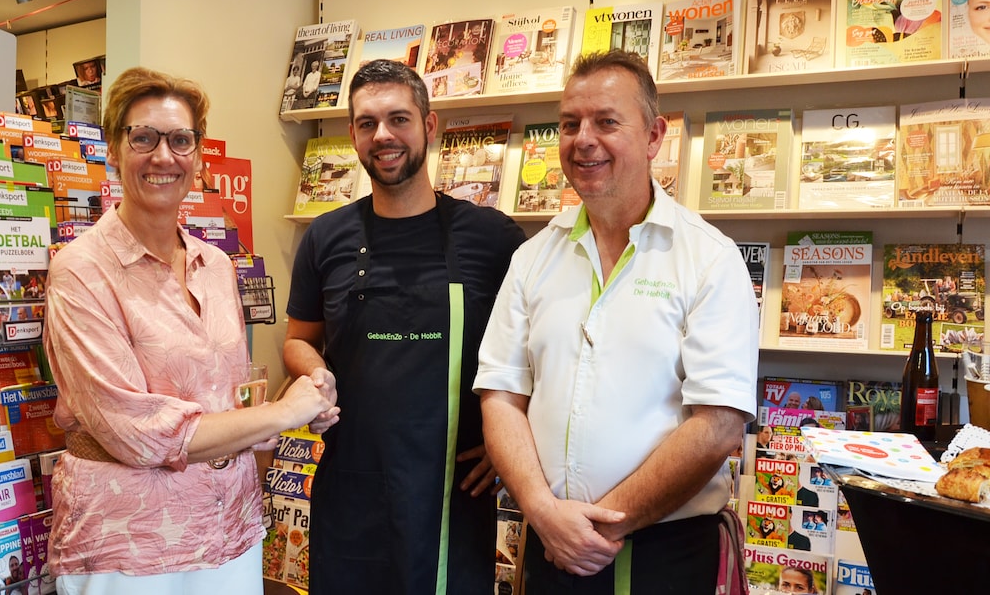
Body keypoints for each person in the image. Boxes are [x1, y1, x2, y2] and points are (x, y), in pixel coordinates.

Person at [42, 66, 338, 594]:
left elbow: (230, 400)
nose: (164, 156)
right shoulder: (80, 271)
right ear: (114, 149)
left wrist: (306, 401)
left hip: (230, 532)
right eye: (143, 137)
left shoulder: (216, 265)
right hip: (131, 546)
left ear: (198, 156)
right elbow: (136, 431)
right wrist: (284, 412)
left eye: (181, 140)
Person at [475, 50, 758, 593]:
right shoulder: (532, 257)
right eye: (569, 124)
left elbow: (719, 423)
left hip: (663, 555)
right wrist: (542, 511)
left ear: (654, 136)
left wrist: (602, 527)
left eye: (606, 122)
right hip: (550, 545)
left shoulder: (709, 258)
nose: (583, 139)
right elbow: (501, 396)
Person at [283, 58, 526, 594]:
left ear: (429, 125)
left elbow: (537, 355)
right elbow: (298, 340)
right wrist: (316, 376)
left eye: (399, 119)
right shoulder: (325, 238)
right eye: (367, 123)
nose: (383, 136)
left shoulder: (494, 239)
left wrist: (509, 440)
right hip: (353, 487)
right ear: (352, 135)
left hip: (454, 492)